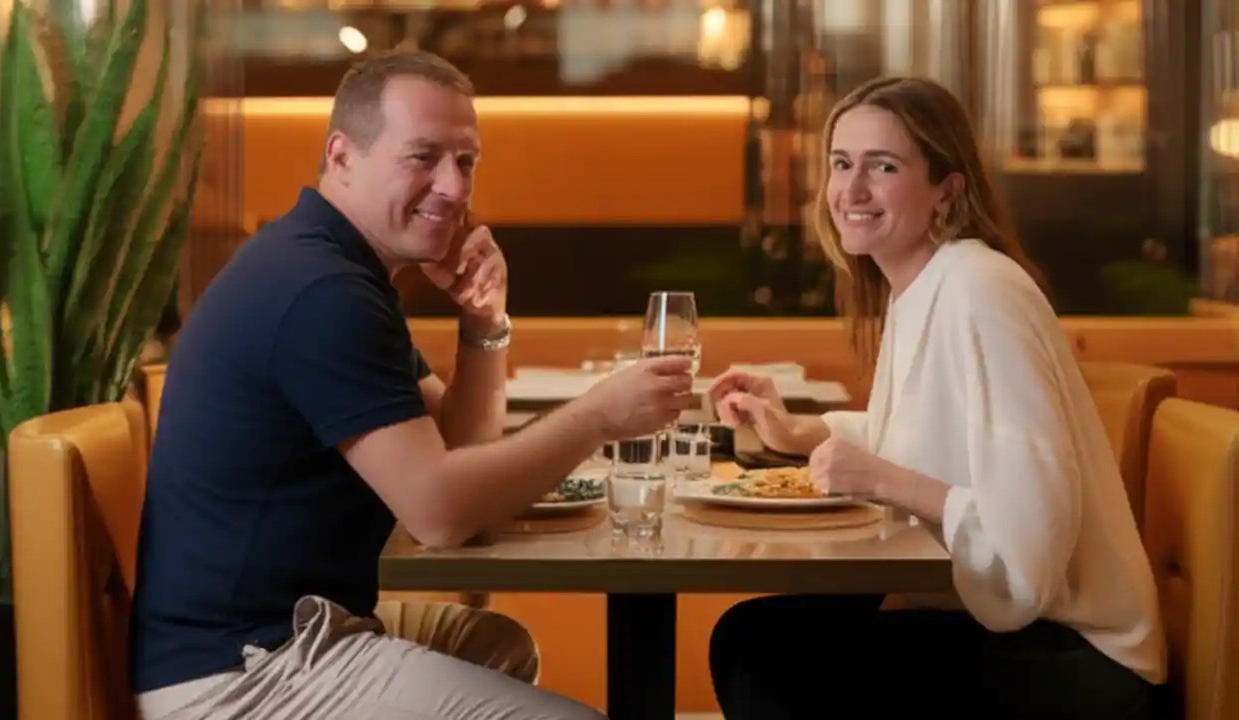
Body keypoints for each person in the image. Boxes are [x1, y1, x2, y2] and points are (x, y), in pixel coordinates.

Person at [128, 50, 692, 719]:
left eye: (466, 160)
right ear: (341, 156)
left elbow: (458, 451)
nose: (454, 187)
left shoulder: (332, 266)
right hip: (241, 674)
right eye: (423, 157)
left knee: (493, 643)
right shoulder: (321, 293)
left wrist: (484, 326)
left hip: (276, 637)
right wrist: (598, 417)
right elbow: (440, 512)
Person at [705, 76, 1167, 719]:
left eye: (883, 166)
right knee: (756, 639)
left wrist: (885, 479)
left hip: (1082, 662)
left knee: (769, 655)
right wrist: (801, 433)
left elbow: (1028, 552)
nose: (851, 190)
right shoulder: (925, 286)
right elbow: (947, 435)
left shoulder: (981, 293)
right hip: (1020, 634)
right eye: (841, 164)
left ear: (947, 190)